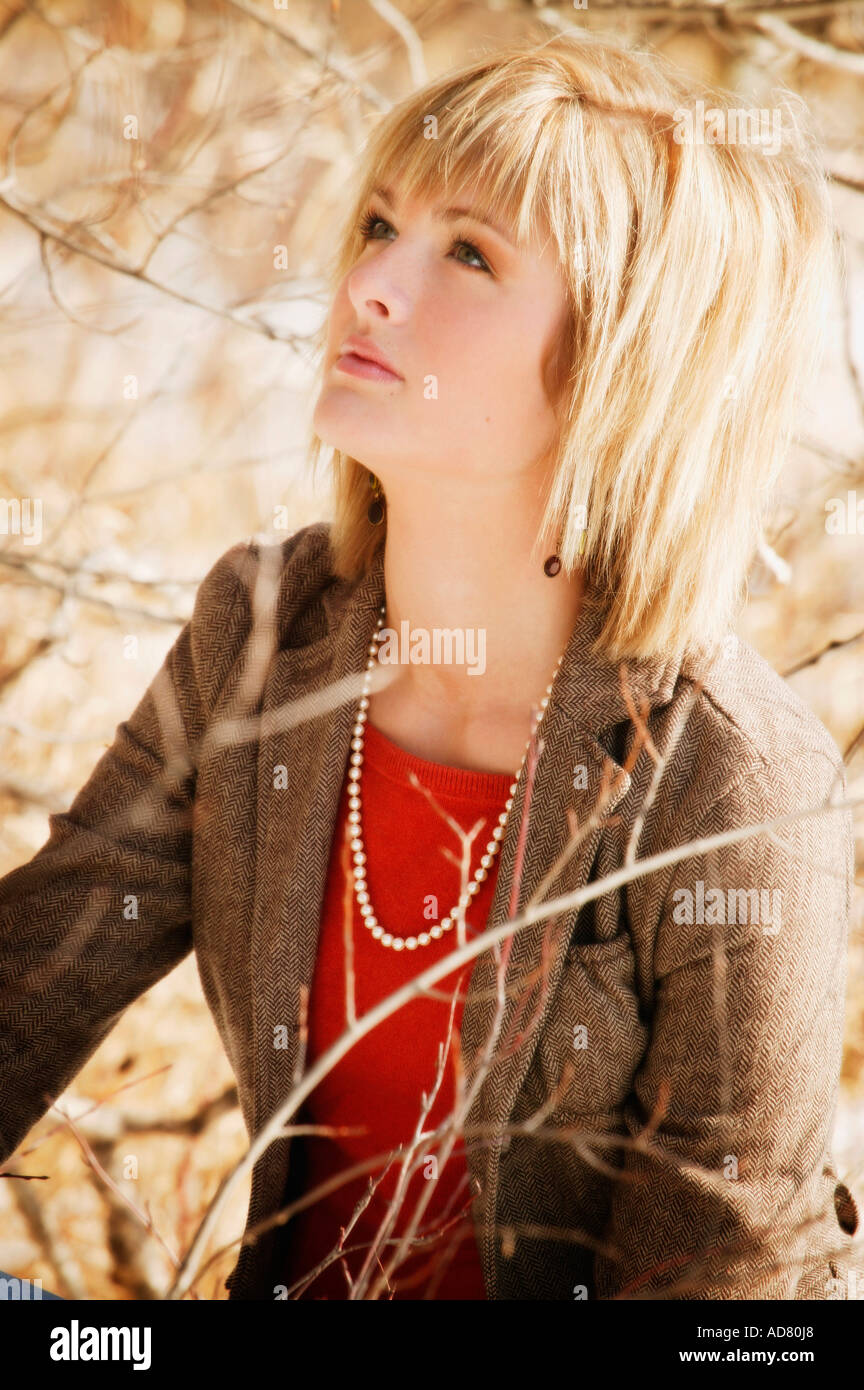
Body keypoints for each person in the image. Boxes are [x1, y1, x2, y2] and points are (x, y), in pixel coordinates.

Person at [0, 29, 859, 1301]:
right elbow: (36, 974)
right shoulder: (261, 634)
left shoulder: (723, 772)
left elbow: (729, 1284)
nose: (374, 285)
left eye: (468, 252)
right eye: (380, 225)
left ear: (620, 361)